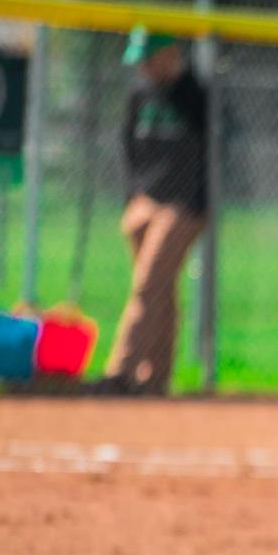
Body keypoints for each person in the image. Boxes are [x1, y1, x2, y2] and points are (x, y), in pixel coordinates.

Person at [104, 27, 207, 395]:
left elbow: (213, 157)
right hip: (145, 201)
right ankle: (156, 378)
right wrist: (133, 198)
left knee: (149, 284)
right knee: (159, 288)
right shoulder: (140, 93)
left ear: (170, 52)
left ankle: (120, 372)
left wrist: (198, 202)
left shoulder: (196, 95)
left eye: (150, 57)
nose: (144, 66)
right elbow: (129, 148)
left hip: (183, 205)